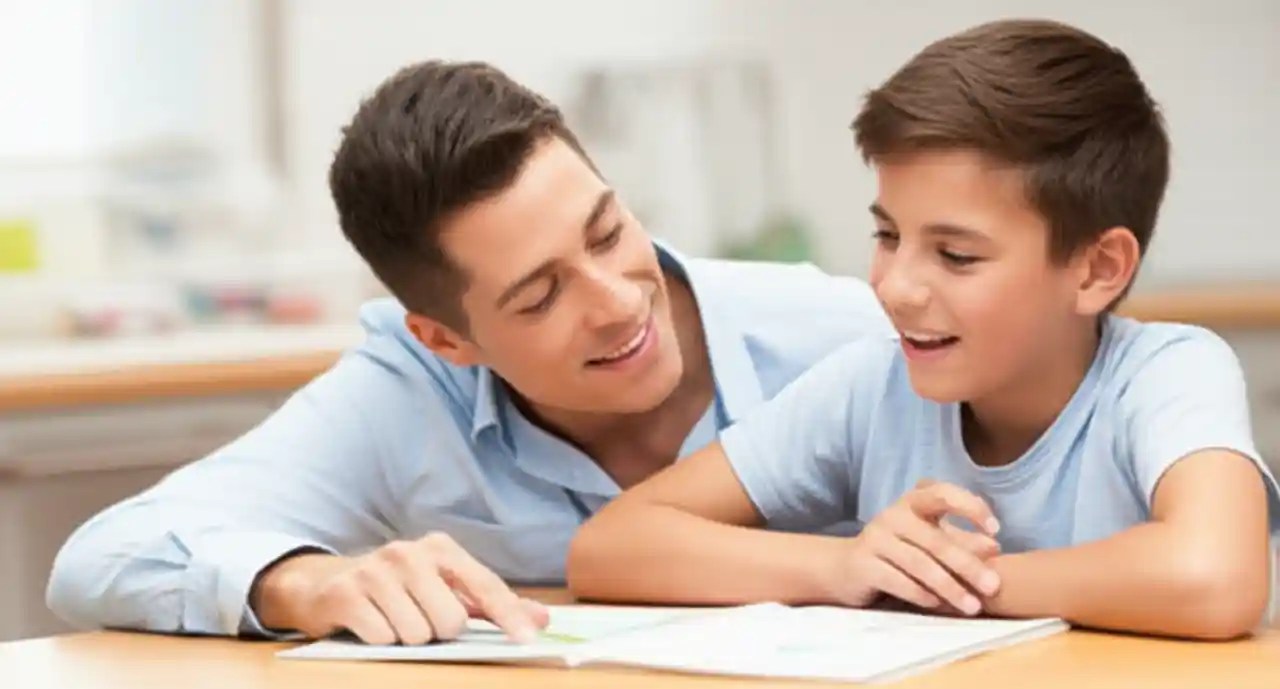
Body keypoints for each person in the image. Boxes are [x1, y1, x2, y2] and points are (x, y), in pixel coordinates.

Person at [46, 61, 891, 645]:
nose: (618, 301)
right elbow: (103, 558)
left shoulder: (834, 335)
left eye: (608, 232)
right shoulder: (403, 396)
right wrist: (301, 583)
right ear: (447, 339)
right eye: (540, 295)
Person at [567, 19, 1279, 640]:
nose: (895, 286)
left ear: (1097, 269)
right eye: (887, 235)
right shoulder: (871, 388)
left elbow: (1214, 577)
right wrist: (847, 566)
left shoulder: (1168, 373)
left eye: (956, 255)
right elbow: (610, 546)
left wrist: (946, 581)